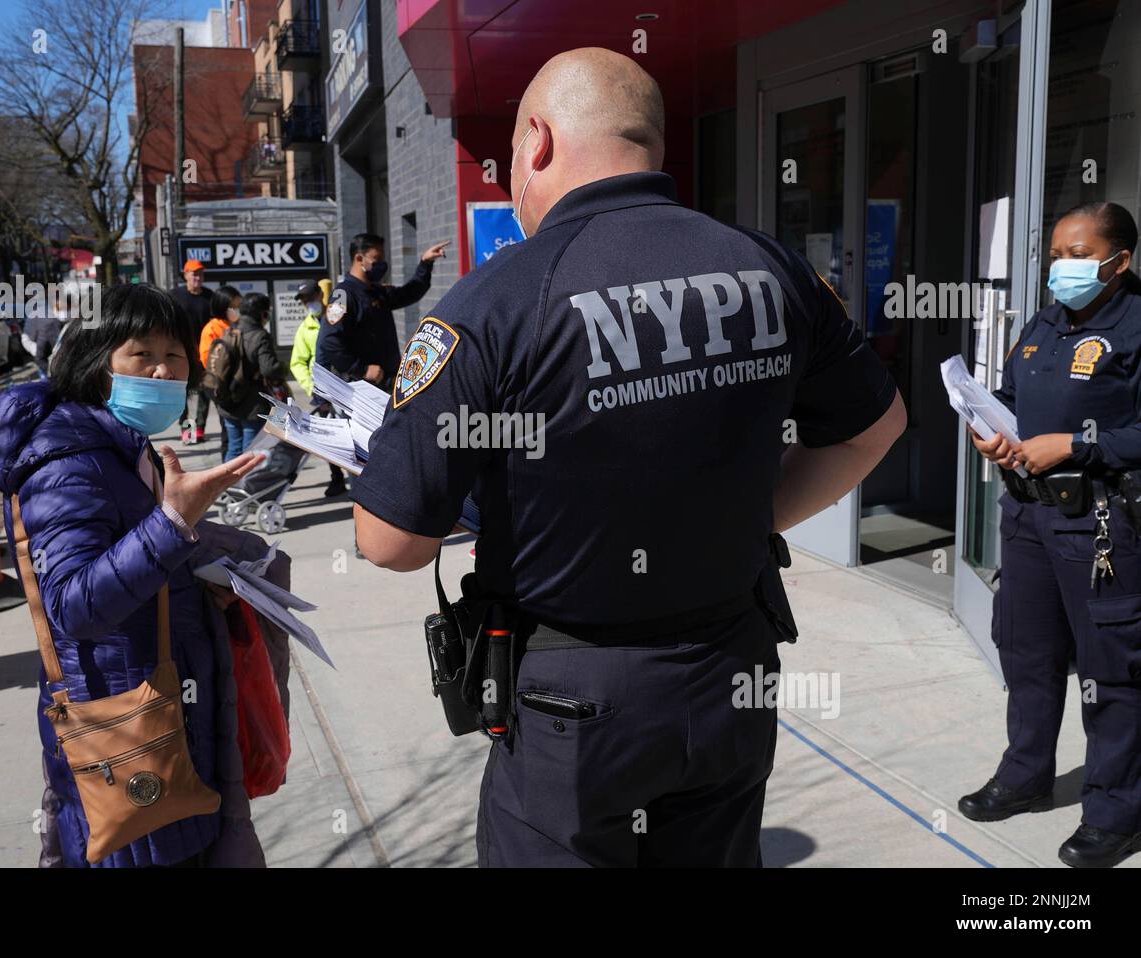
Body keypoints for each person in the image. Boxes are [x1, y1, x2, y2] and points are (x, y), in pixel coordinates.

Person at [350, 48, 905, 868]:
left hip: (571, 702)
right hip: (732, 673)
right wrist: (750, 523)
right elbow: (875, 428)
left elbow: (389, 542)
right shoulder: (770, 267)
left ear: (537, 141)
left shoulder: (494, 302)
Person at [0, 283, 265, 867]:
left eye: (175, 355)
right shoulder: (68, 460)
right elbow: (74, 607)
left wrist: (199, 577)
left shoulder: (123, 446)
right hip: (125, 735)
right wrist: (173, 524)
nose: (162, 370)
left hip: (167, 724)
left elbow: (133, 563)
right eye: (143, 353)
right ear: (97, 359)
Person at [961, 201, 1141, 868]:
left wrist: (1075, 444)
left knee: (1112, 671)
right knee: (1027, 656)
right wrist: (996, 434)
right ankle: (1025, 775)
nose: (1061, 268)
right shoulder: (1046, 321)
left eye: (1076, 255)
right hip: (1028, 517)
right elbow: (1011, 394)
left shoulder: (1135, 325)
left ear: (1117, 262)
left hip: (1100, 524)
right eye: (1055, 255)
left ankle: (1115, 811)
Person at [315, 232, 449, 387]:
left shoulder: (376, 291)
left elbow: (409, 293)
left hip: (388, 382)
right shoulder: (342, 295)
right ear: (359, 259)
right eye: (377, 259)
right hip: (363, 388)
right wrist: (361, 370)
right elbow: (329, 341)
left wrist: (425, 264)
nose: (382, 264)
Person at [289, 280, 347, 497]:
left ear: (320, 295)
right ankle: (337, 477)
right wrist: (311, 386)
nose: (308, 303)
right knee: (329, 438)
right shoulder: (306, 329)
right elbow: (297, 362)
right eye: (305, 301)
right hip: (323, 393)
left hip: (347, 385)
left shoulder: (338, 317)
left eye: (311, 298)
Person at [215, 292, 288, 461]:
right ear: (261, 313)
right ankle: (245, 486)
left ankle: (228, 484)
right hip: (251, 405)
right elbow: (269, 369)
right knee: (250, 452)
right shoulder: (260, 335)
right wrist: (283, 368)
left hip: (228, 400)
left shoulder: (230, 330)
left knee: (234, 448)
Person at [170, 259, 212, 444]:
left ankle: (200, 427)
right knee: (182, 394)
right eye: (194, 273)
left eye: (200, 273)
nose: (197, 277)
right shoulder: (175, 296)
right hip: (183, 353)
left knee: (205, 393)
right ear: (185, 275)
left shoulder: (210, 296)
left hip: (206, 354)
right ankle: (186, 429)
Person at [200, 285, 242, 461]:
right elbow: (206, 360)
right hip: (222, 387)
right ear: (222, 306)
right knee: (228, 429)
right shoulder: (212, 328)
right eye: (233, 307)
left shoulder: (236, 325)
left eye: (239, 306)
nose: (237, 310)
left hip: (238, 386)